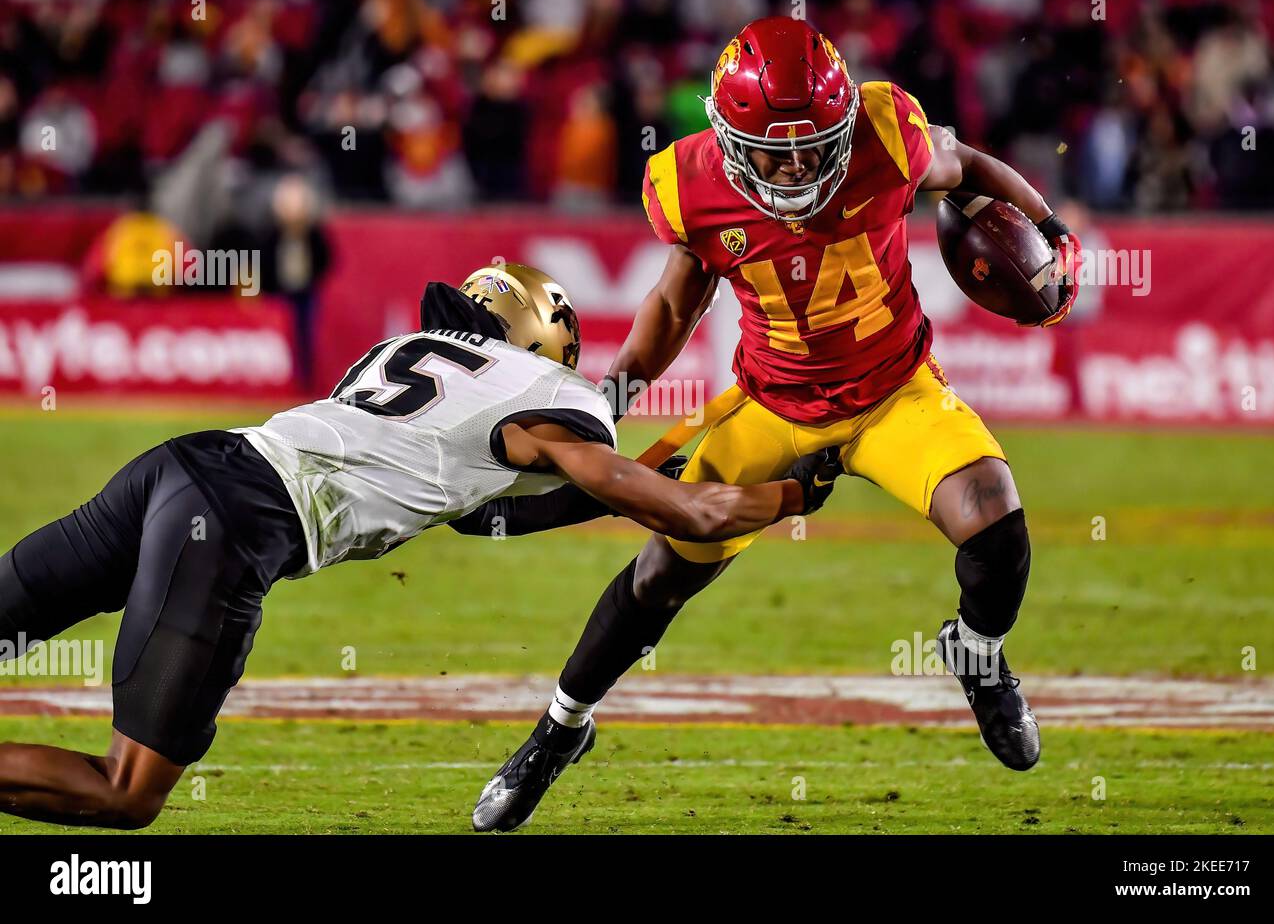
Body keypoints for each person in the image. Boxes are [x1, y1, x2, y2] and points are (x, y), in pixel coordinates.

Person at [474, 17, 1082, 833]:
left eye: (813, 144)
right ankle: (559, 730)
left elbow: (965, 163)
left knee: (996, 521)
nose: (797, 165)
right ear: (727, 139)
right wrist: (611, 398)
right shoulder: (691, 184)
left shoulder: (887, 130)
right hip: (770, 404)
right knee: (661, 575)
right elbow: (673, 302)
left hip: (894, 391)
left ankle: (976, 655)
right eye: (774, 149)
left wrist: (1048, 229)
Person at [0, 262, 841, 830]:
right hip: (235, 523)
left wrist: (620, 486)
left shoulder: (397, 353)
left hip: (183, 464)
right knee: (128, 793)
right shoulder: (548, 397)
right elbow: (690, 518)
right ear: (545, 340)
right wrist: (795, 489)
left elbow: (480, 511)